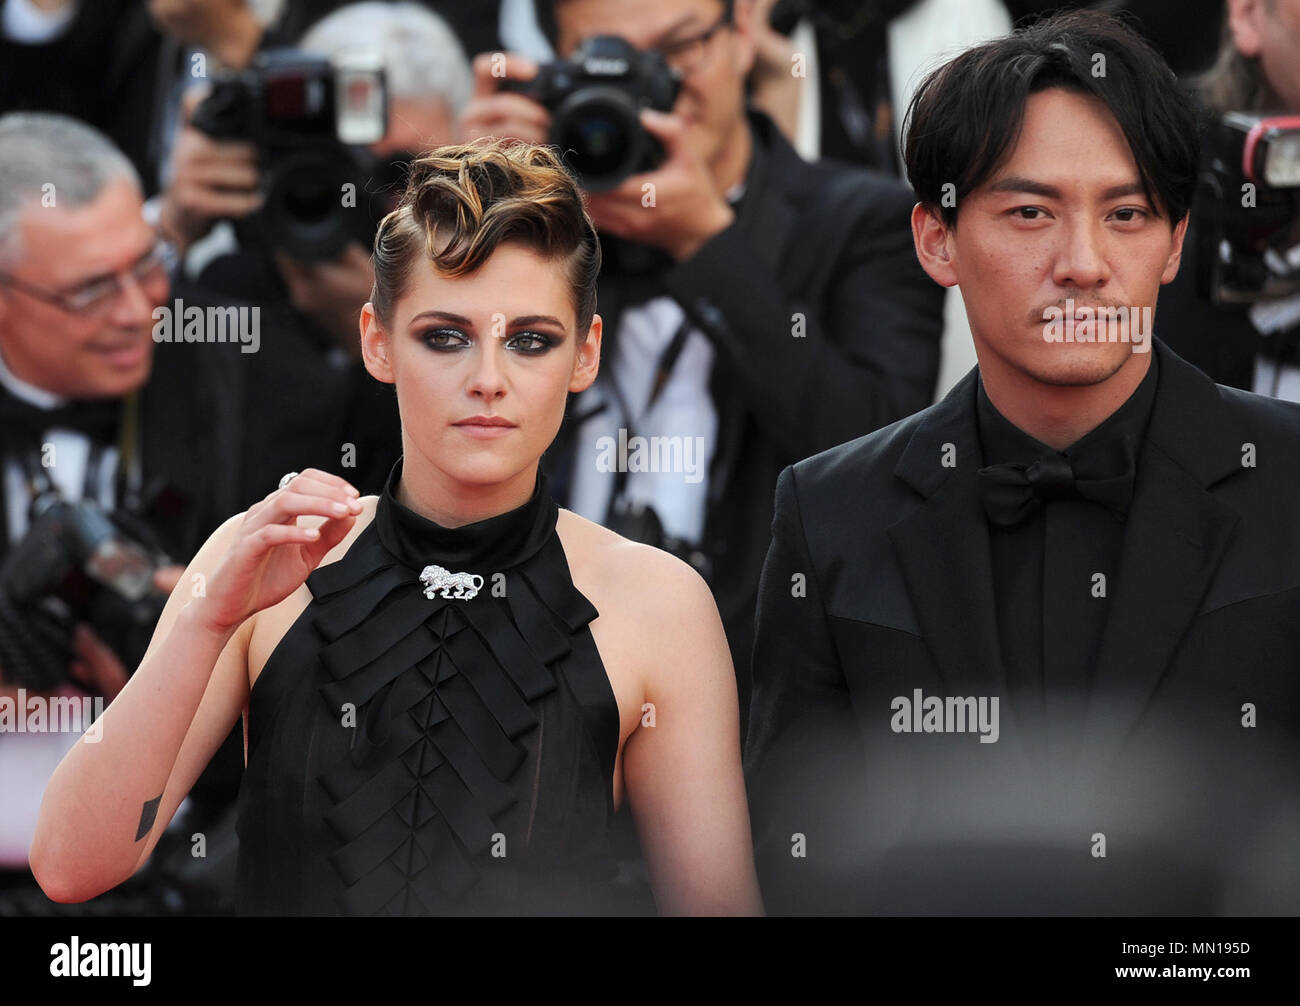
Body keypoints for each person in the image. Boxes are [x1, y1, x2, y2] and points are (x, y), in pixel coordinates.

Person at [31, 137, 763, 916]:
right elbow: (72, 866)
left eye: (530, 340)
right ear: (377, 342)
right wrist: (207, 621)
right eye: (444, 337)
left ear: (584, 356)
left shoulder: (656, 604)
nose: (488, 380)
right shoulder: (265, 561)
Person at [745, 9, 1300, 915]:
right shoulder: (829, 513)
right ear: (937, 239)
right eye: (1031, 212)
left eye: (1125, 214)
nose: (1083, 264)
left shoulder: (1288, 484)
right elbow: (792, 854)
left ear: (1176, 243)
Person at [463, 0, 945, 731]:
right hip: (522, 701)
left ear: (745, 26)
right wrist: (474, 219)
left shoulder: (863, 223)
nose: (650, 90)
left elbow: (876, 458)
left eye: (677, 52)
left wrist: (707, 244)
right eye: (606, 62)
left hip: (756, 712)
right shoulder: (537, 237)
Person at [0, 111, 243, 913]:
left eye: (147, 265)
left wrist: (199, 644)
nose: (139, 309)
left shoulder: (251, 379)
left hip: (187, 868)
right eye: (90, 290)